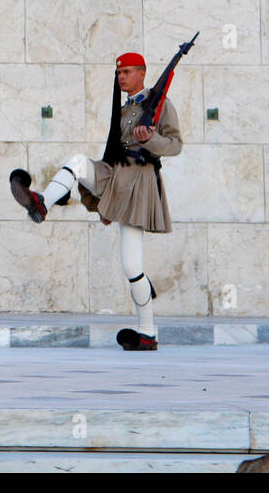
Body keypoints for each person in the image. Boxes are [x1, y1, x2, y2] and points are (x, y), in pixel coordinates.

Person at [10, 52, 182, 351]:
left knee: (132, 267)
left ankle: (147, 332)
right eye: (119, 73)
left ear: (142, 73)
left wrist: (150, 138)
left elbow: (175, 145)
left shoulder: (161, 105)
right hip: (116, 175)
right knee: (77, 162)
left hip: (139, 183)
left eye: (127, 72)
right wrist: (104, 201)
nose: (122, 78)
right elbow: (112, 153)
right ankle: (41, 204)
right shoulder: (126, 108)